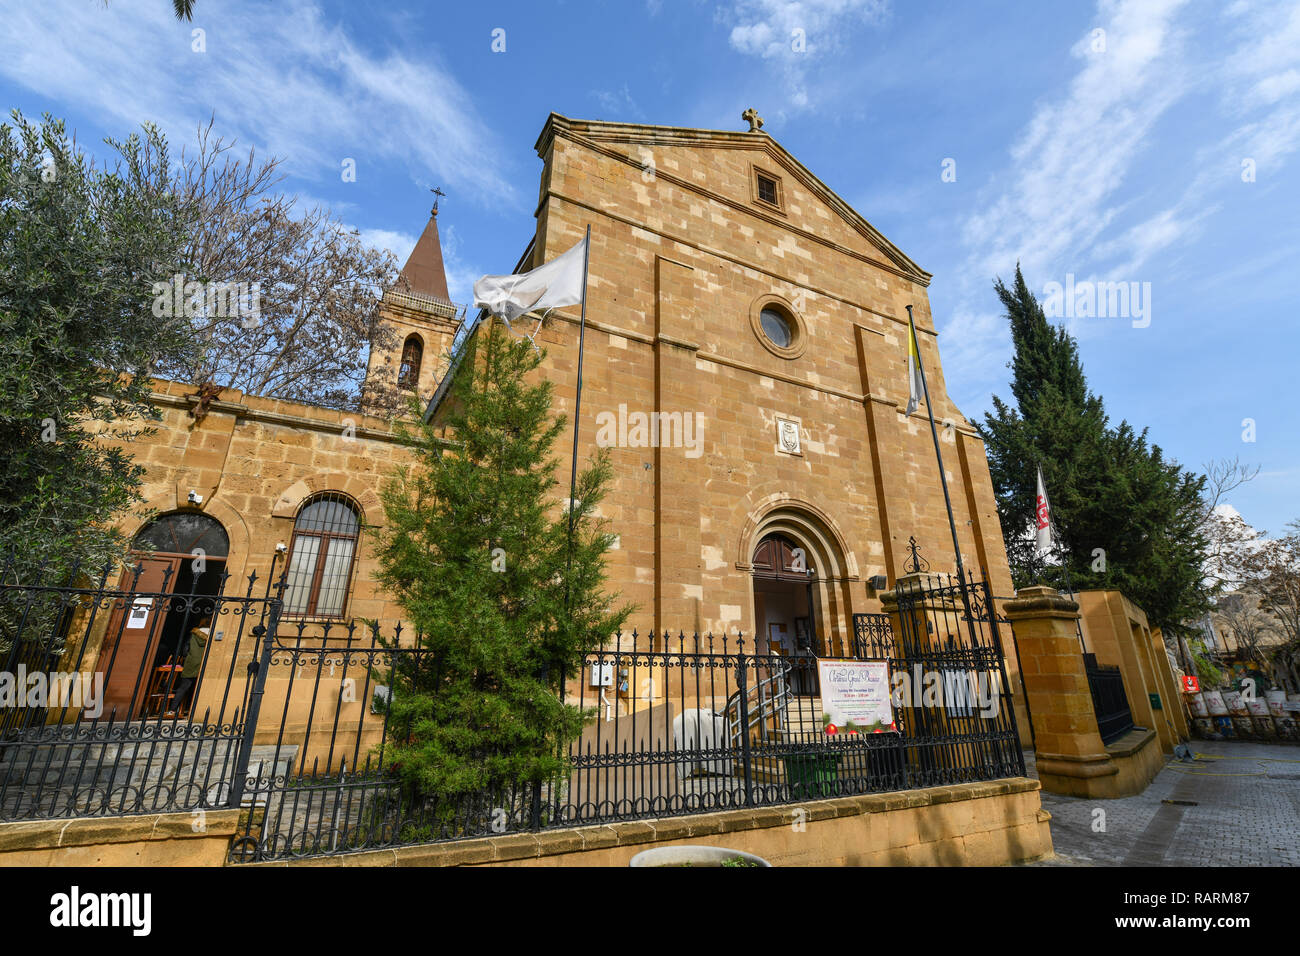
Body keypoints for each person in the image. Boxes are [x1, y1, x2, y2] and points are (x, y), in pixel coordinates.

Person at [169, 615, 211, 716]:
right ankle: (197, 712)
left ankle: (172, 710)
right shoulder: (212, 634)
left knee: (184, 687)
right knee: (201, 688)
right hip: (205, 663)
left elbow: (185, 650)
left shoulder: (193, 634)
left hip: (191, 662)